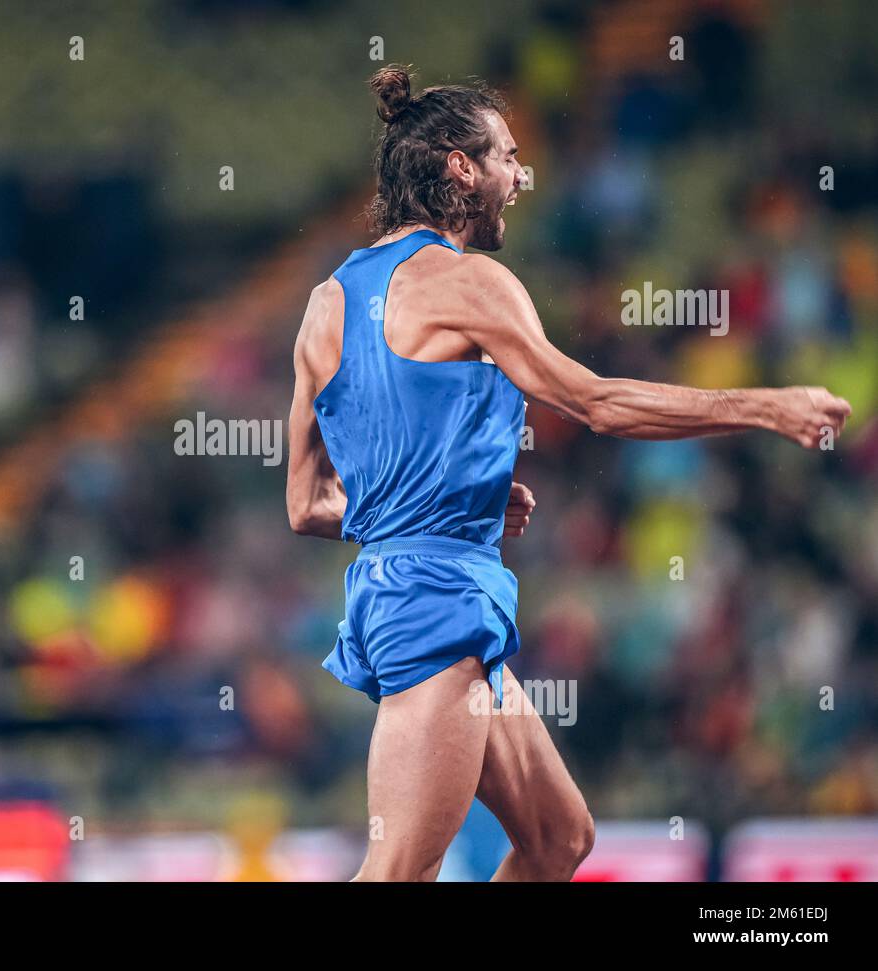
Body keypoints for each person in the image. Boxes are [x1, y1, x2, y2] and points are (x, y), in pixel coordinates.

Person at [285, 65, 851, 882]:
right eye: (508, 157)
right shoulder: (470, 282)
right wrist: (765, 407)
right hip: (437, 598)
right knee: (399, 868)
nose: (520, 176)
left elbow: (307, 503)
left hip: (402, 586)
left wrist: (434, 502)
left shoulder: (324, 304)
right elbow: (598, 404)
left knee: (558, 837)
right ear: (458, 166)